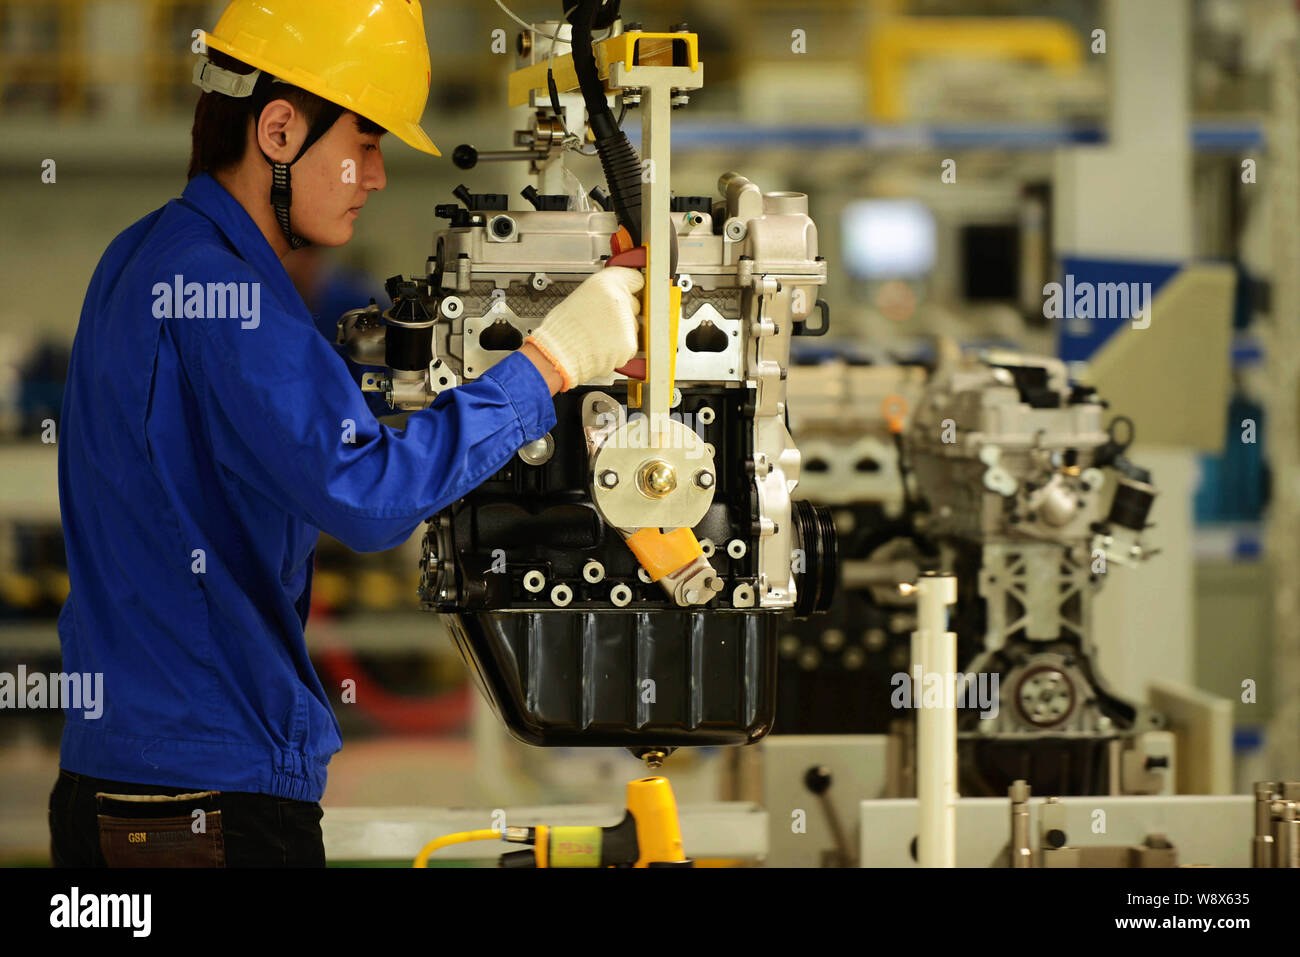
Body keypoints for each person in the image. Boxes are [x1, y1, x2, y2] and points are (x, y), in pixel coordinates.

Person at [49, 0, 643, 867]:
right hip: (204, 807)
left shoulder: (142, 258)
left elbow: (277, 442)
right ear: (281, 130)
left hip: (118, 786)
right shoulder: (233, 299)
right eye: (364, 144)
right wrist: (552, 362)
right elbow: (368, 497)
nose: (375, 177)